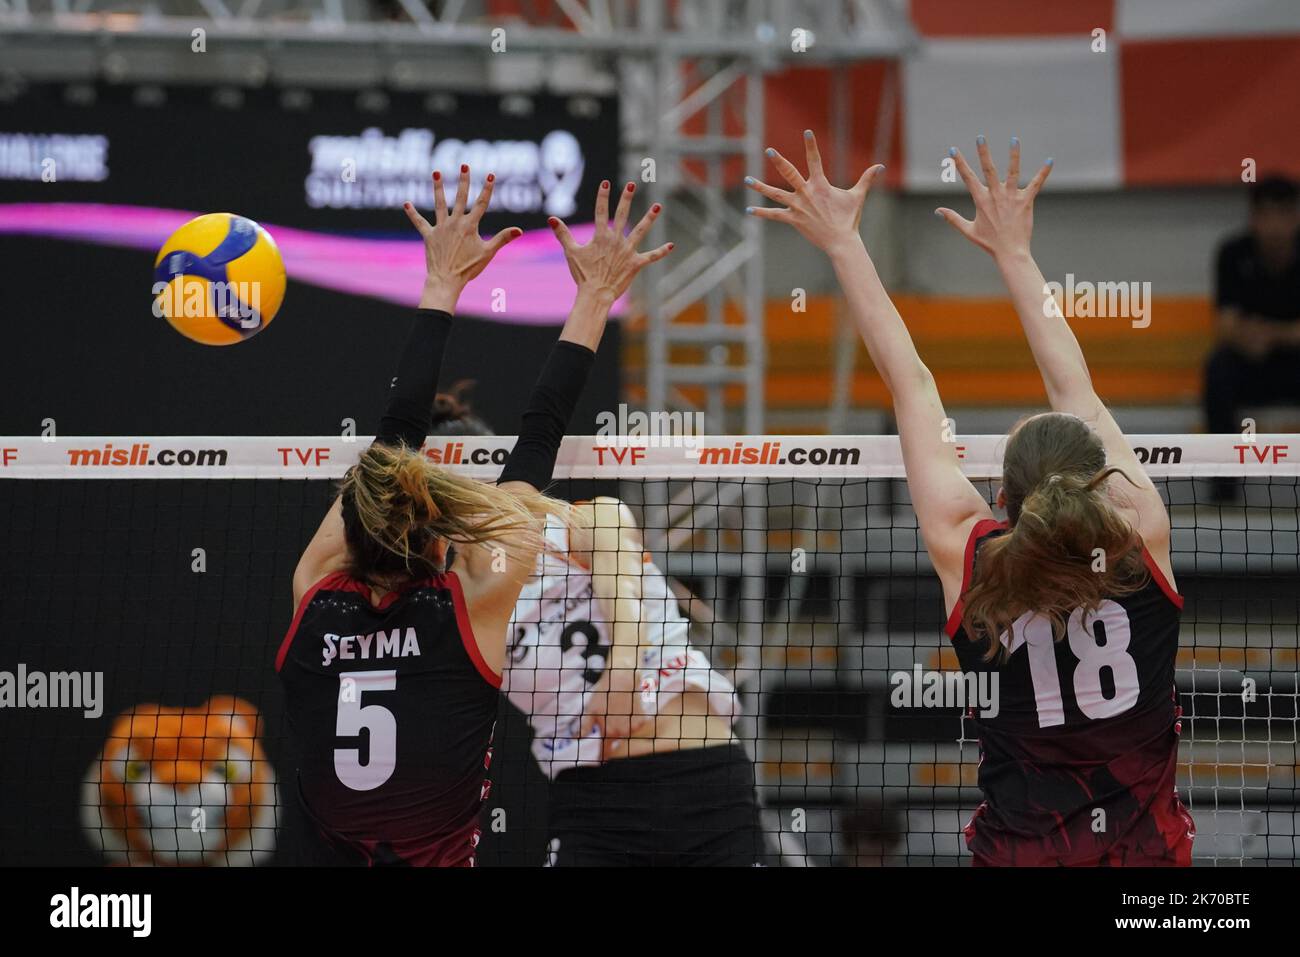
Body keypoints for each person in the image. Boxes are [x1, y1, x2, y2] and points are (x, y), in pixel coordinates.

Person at [747, 132, 1194, 866]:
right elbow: (1075, 391)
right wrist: (1016, 255)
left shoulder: (968, 549)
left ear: (1000, 494)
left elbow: (910, 382)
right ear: (1101, 480)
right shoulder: (1142, 529)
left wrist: (843, 244)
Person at [276, 168, 672, 866]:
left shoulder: (314, 594)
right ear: (439, 545)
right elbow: (534, 443)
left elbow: (395, 446)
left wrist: (440, 284)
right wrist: (597, 297)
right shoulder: (470, 613)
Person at [425, 392, 765, 866]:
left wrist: (621, 667)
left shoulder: (585, 520)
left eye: (487, 481)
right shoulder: (449, 602)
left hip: (700, 780)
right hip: (592, 801)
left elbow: (619, 564)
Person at [1204, 175, 1300, 438]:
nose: (1275, 226)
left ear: (1295, 217)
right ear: (1254, 218)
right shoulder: (1233, 254)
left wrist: (1270, 333)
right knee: (1218, 370)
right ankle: (1223, 475)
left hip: (1295, 363)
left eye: (1283, 215)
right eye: (1267, 215)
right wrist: (1252, 337)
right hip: (1251, 363)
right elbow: (1225, 328)